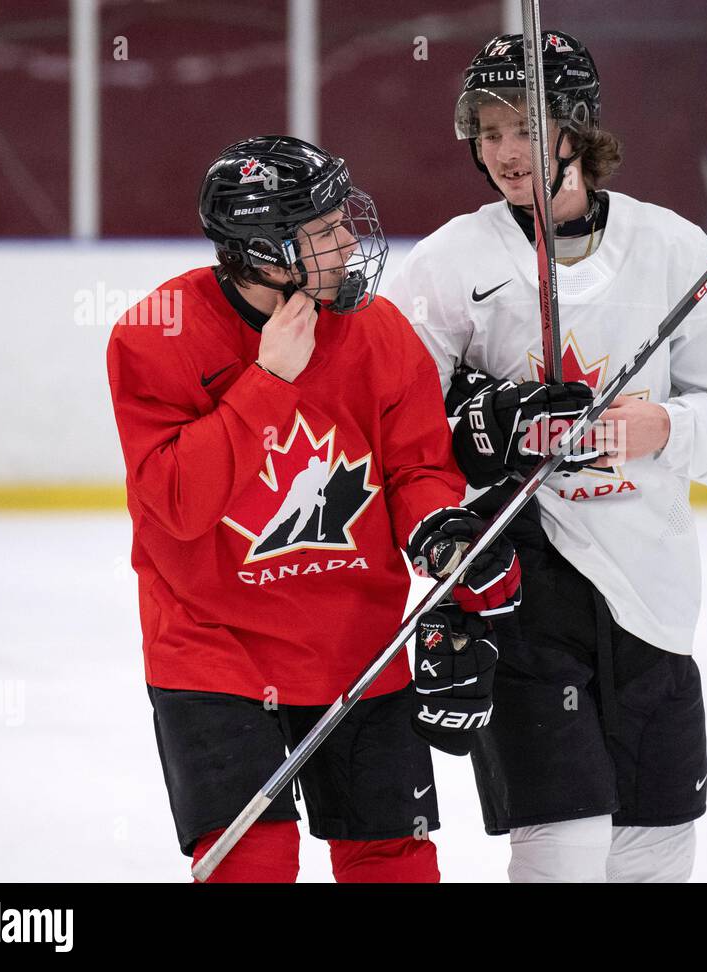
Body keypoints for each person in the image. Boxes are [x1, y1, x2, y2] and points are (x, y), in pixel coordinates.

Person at [384, 32, 707, 882]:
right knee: (562, 839)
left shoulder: (672, 248)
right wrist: (489, 420)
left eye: (524, 127)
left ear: (577, 128)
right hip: (521, 576)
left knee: (656, 846)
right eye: (487, 132)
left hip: (651, 592)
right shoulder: (453, 260)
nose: (504, 152)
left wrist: (663, 427)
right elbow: (398, 428)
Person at [106, 135, 519, 882]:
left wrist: (443, 542)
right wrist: (268, 381)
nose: (347, 241)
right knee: (251, 862)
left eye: (342, 220)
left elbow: (417, 468)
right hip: (213, 650)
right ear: (262, 249)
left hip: (356, 644)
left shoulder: (380, 330)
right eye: (323, 230)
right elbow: (176, 502)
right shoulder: (157, 331)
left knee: (392, 859)